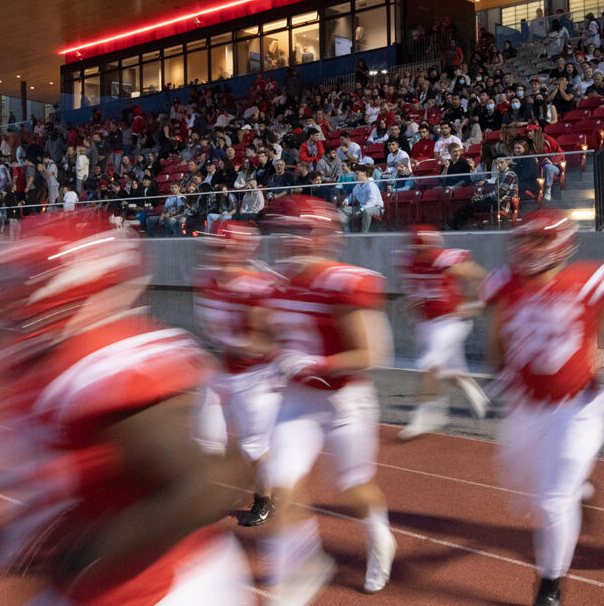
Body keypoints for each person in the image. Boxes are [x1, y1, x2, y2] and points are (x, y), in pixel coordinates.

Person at [0, 211, 253, 606]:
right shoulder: (41, 362)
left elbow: (210, 480)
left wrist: (88, 553)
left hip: (168, 590)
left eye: (23, 277)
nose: (5, 293)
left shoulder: (101, 361)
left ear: (67, 286)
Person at [485, 208, 604, 606]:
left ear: (559, 244)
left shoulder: (590, 280)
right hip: (526, 403)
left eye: (536, 240)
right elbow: (497, 342)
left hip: (579, 406)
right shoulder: (505, 284)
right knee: (523, 494)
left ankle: (550, 584)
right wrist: (500, 374)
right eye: (523, 239)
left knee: (552, 501)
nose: (526, 248)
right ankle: (582, 486)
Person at [262, 194, 395, 599]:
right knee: (280, 483)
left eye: (298, 231)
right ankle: (303, 566)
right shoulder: (280, 283)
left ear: (320, 235)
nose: (288, 240)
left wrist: (313, 363)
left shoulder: (345, 280)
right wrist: (276, 359)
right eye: (285, 232)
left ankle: (380, 538)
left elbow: (373, 353)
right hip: (299, 400)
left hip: (344, 401)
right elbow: (276, 338)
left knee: (353, 487)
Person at [193, 221, 281, 529]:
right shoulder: (208, 279)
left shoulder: (258, 285)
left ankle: (264, 498)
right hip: (223, 369)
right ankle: (213, 493)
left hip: (256, 375)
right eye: (214, 247)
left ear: (240, 249)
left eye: (222, 247)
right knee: (207, 439)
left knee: (253, 446)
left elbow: (269, 341)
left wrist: (233, 342)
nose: (216, 253)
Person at [396, 227, 489, 441]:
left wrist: (475, 304)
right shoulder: (407, 260)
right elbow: (411, 288)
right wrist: (413, 312)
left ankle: (427, 415)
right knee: (447, 371)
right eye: (417, 250)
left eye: (423, 250)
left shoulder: (444, 260)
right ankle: (472, 390)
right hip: (428, 323)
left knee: (428, 364)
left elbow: (481, 276)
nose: (420, 254)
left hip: (451, 320)